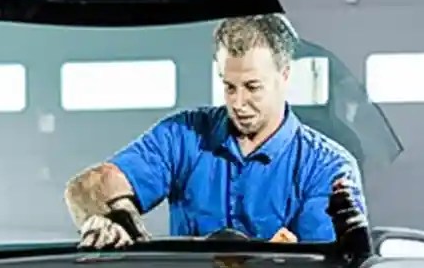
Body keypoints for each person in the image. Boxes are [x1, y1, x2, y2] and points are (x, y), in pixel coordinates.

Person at [63, 13, 365, 249]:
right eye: (228, 86)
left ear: (284, 76)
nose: (238, 102)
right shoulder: (183, 137)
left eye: (252, 87)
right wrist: (113, 222)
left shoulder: (327, 168)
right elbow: (86, 188)